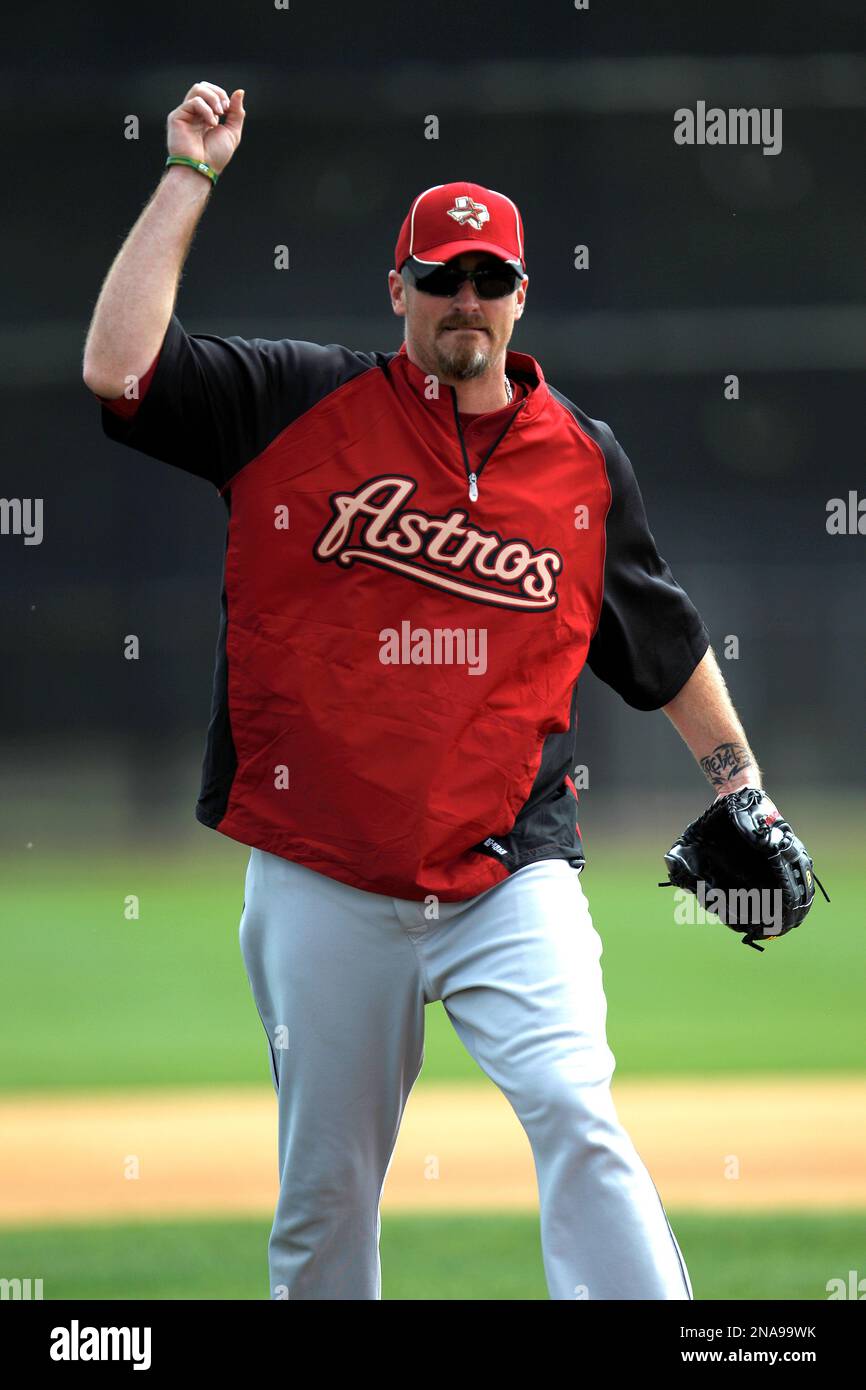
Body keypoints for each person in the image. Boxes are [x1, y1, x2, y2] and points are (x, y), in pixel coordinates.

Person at [83, 80, 762, 1301]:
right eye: (440, 276)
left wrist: (741, 786)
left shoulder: (580, 460)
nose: (465, 300)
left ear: (518, 296)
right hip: (321, 872)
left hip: (511, 870)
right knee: (325, 1198)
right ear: (395, 287)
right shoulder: (292, 403)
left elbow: (661, 643)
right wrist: (188, 172)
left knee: (576, 1114)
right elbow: (120, 372)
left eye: (487, 278)